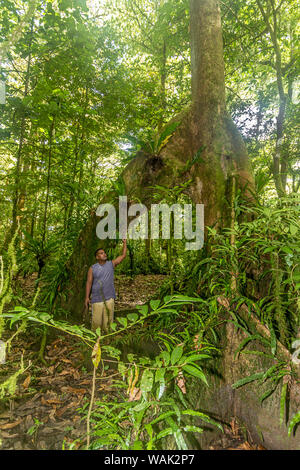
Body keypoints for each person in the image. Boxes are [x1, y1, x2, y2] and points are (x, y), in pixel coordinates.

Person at [85, 239, 127, 333]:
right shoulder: (92, 268)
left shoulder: (111, 264)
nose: (104, 254)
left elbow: (123, 255)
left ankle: (107, 341)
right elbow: (89, 282)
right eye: (101, 253)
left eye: (104, 253)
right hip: (96, 299)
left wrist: (124, 243)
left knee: (108, 323)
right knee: (96, 323)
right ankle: (96, 342)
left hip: (109, 298)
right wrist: (87, 297)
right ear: (97, 257)